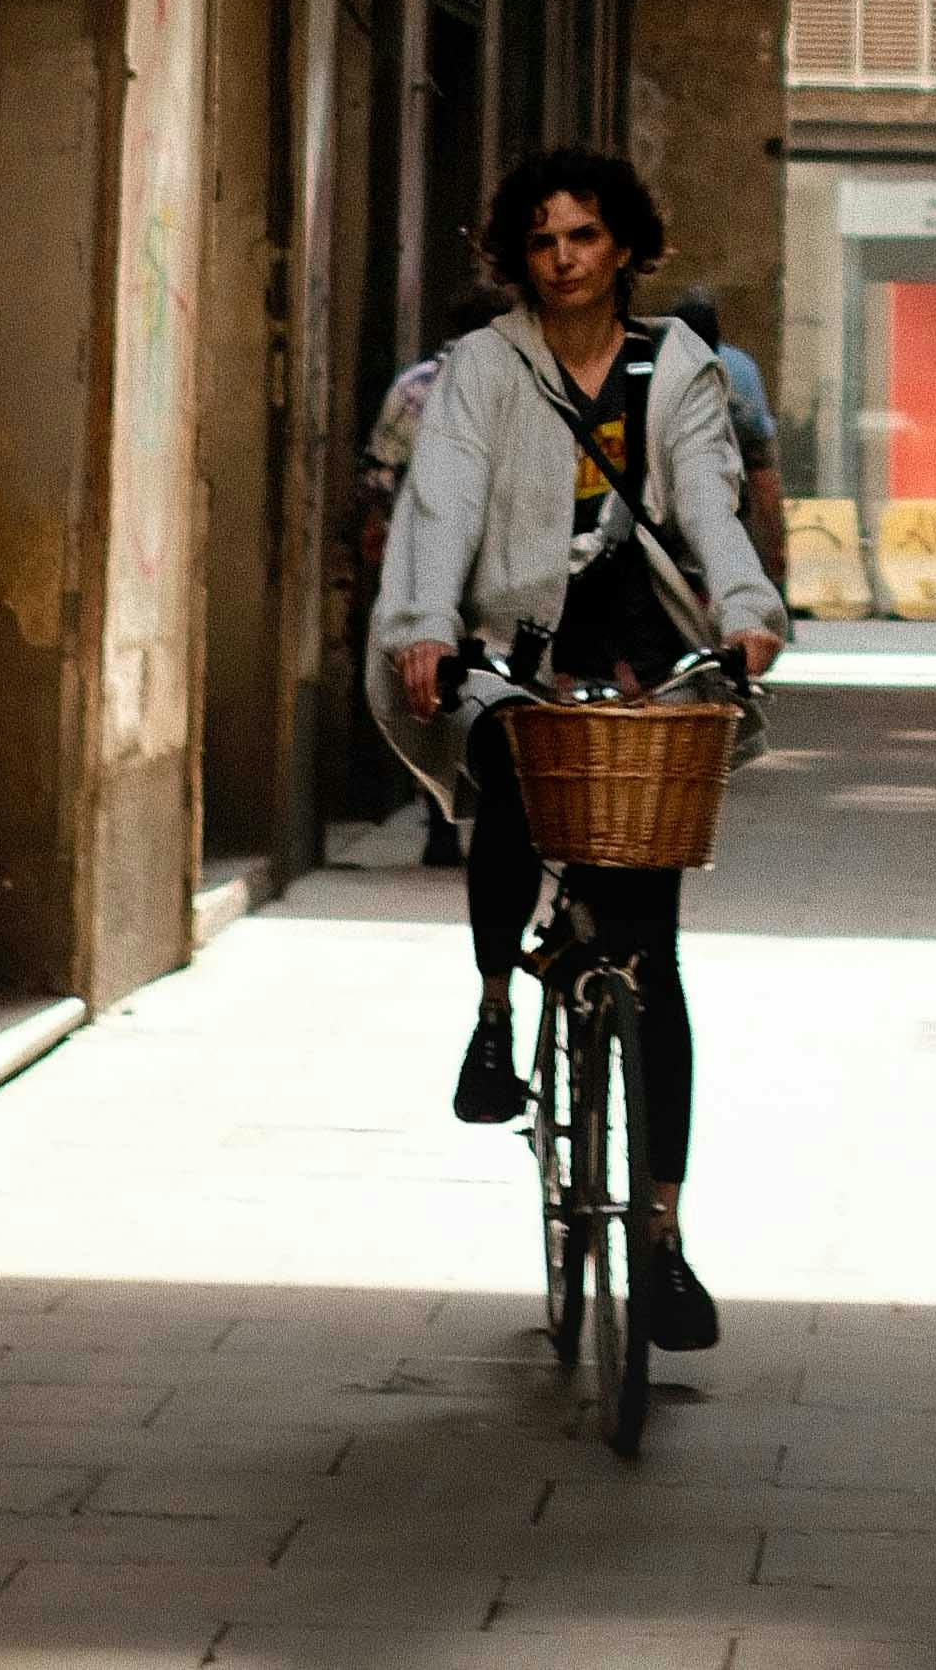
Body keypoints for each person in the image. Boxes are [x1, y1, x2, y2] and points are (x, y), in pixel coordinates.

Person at [374, 142, 782, 1357]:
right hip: (514, 635)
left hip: (643, 642)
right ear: (519, 254)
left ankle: (660, 1235)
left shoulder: (677, 365)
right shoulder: (484, 367)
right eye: (543, 240)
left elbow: (709, 496)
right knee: (507, 758)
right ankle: (497, 1003)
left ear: (624, 246)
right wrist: (424, 622)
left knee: (652, 955)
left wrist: (747, 607)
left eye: (585, 237)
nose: (563, 261)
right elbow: (444, 496)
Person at [355, 291, 498, 862]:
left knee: (431, 684)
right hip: (489, 565)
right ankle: (486, 809)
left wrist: (379, 532)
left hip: (419, 560)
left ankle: (441, 819)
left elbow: (378, 472)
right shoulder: (509, 386)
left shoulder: (414, 386)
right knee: (487, 681)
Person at [677, 284, 792, 599]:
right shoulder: (740, 368)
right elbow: (762, 471)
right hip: (731, 514)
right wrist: (775, 545)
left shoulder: (662, 370)